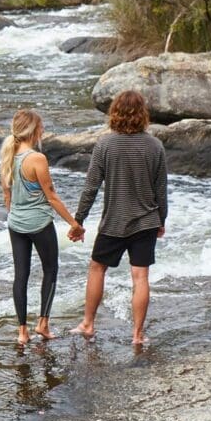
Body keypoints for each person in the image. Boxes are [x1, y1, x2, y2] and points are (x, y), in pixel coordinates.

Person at [72, 90, 169, 346]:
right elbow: (161, 190)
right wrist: (161, 220)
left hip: (114, 222)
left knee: (97, 269)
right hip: (146, 221)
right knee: (140, 276)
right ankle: (137, 334)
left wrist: (79, 220)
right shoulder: (155, 146)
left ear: (114, 112)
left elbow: (91, 187)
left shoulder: (105, 145)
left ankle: (88, 324)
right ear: (142, 114)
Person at [0, 109, 84, 346]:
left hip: (15, 224)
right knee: (50, 270)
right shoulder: (37, 159)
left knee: (21, 276)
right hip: (39, 224)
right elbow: (52, 196)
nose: (43, 130)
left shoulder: (7, 156)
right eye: (41, 126)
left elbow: (6, 196)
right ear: (32, 130)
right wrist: (74, 224)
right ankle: (43, 324)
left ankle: (22, 332)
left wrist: (17, 216)